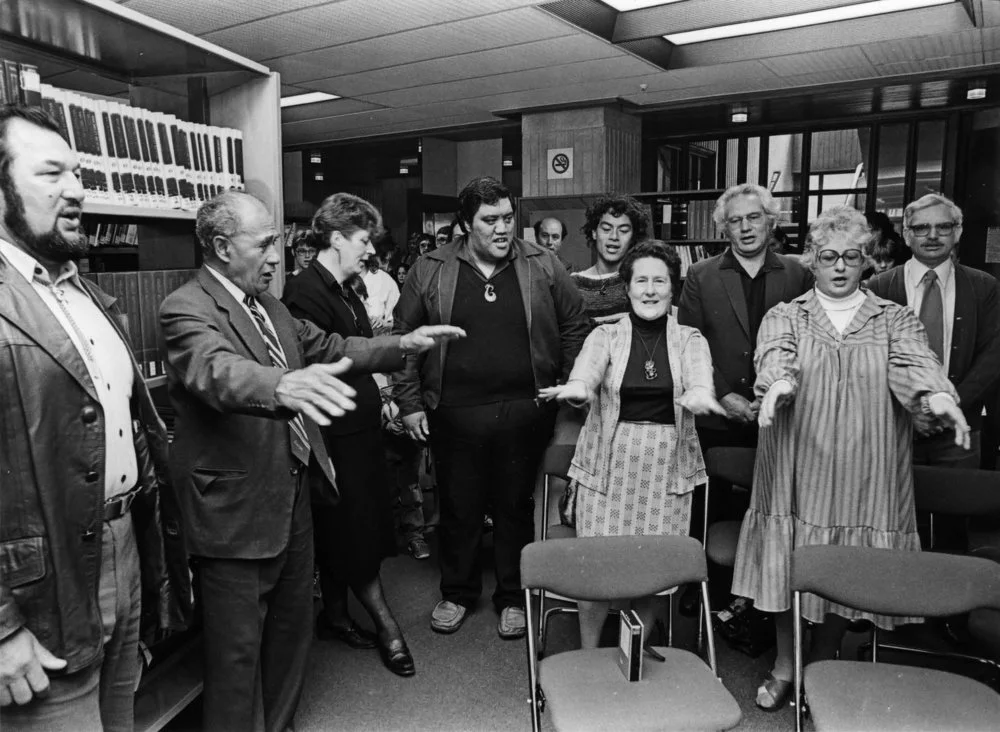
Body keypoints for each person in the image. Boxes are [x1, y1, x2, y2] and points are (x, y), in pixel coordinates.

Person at [159, 190, 462, 731]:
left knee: (290, 636)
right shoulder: (186, 307)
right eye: (266, 243)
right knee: (236, 657)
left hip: (293, 494)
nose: (279, 254)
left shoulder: (270, 307)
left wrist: (404, 344)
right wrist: (283, 385)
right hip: (235, 513)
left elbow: (333, 344)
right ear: (223, 246)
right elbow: (216, 371)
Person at [730, 205, 971, 711]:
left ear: (867, 262)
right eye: (828, 256)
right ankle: (785, 664)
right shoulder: (786, 315)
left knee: (843, 565)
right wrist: (776, 388)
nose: (839, 266)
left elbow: (915, 365)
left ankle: (823, 659)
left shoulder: (894, 318)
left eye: (851, 256)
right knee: (789, 562)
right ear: (812, 262)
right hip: (797, 464)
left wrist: (939, 398)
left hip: (867, 469)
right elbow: (776, 358)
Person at [0, 104, 190, 732]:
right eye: (52, 173)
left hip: (122, 549)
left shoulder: (86, 294)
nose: (77, 190)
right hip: (41, 584)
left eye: (77, 173)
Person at [393, 176, 588, 639]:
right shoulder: (431, 267)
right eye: (490, 221)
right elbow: (404, 340)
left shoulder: (542, 263)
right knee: (459, 506)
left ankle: (512, 596)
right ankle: (457, 592)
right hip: (454, 411)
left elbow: (574, 326)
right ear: (465, 224)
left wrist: (566, 386)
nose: (503, 229)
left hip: (525, 410)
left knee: (513, 507)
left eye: (507, 218)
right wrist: (409, 403)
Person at [539, 242, 724, 647]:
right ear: (628, 287)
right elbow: (585, 374)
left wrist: (699, 394)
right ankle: (589, 653)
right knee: (598, 567)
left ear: (673, 288)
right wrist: (577, 389)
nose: (651, 289)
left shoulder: (690, 338)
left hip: (668, 470)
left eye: (660, 280)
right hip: (606, 468)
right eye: (642, 280)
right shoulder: (605, 334)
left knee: (652, 571)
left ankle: (633, 650)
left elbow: (699, 378)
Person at [282, 193, 423, 678]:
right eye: (363, 241)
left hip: (357, 431)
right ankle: (387, 627)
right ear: (337, 238)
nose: (370, 250)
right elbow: (331, 355)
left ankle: (337, 617)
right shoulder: (304, 292)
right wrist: (398, 347)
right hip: (333, 434)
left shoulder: (344, 287)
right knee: (352, 530)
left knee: (348, 528)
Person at [677, 183, 811, 564]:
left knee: (774, 510)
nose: (746, 227)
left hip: (779, 414)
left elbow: (806, 342)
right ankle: (708, 591)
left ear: (770, 222)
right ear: (725, 229)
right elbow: (689, 344)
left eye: (754, 218)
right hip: (718, 419)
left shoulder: (798, 274)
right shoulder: (701, 275)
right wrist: (722, 394)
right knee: (710, 511)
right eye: (735, 221)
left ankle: (762, 595)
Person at [867, 194, 1000, 470]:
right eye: (921, 228)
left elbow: (992, 356)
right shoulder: (878, 287)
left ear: (958, 232)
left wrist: (948, 406)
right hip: (894, 428)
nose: (932, 235)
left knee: (953, 508)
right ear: (906, 234)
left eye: (943, 227)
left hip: (959, 431)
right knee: (892, 511)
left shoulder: (984, 287)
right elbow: (870, 361)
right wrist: (912, 411)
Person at [572, 195, 649, 323]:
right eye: (606, 229)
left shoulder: (644, 282)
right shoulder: (573, 284)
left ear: (633, 237)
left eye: (623, 230)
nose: (614, 236)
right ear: (594, 232)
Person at [361, 246, 400, 336]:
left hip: (376, 336)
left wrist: (384, 323)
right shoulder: (345, 278)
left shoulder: (385, 280)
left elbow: (398, 321)